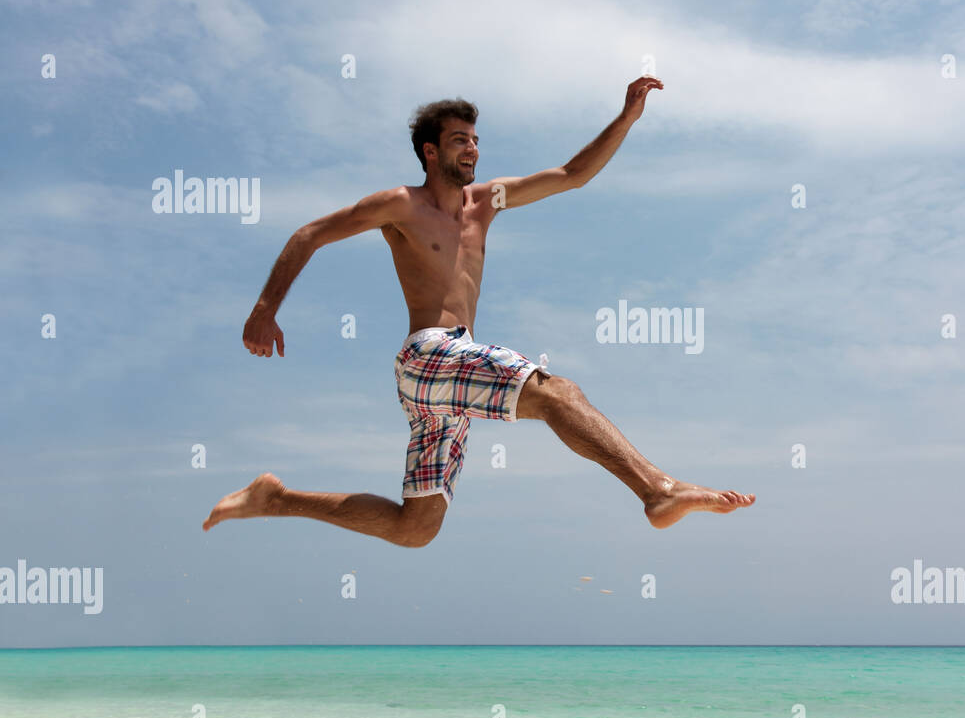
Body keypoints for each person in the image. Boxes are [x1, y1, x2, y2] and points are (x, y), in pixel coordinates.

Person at [203, 77, 754, 546]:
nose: (472, 150)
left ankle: (274, 499)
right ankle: (658, 491)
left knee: (416, 527)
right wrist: (264, 309)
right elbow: (309, 234)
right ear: (430, 151)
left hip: (450, 375)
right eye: (460, 141)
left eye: (475, 141)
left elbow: (572, 175)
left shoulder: (487, 202)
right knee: (558, 393)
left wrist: (627, 116)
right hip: (430, 355)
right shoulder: (401, 205)